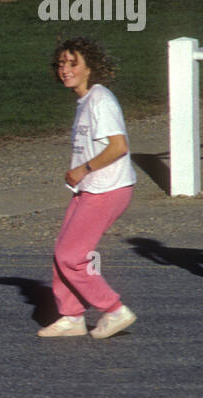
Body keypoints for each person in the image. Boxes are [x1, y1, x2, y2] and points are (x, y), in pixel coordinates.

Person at [38, 38, 137, 339]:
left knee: (72, 256)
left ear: (89, 67)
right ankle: (71, 316)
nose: (65, 70)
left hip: (108, 188)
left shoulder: (100, 100)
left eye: (72, 63)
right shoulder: (86, 101)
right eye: (61, 64)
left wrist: (83, 169)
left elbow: (119, 147)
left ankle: (114, 309)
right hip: (89, 188)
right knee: (62, 253)